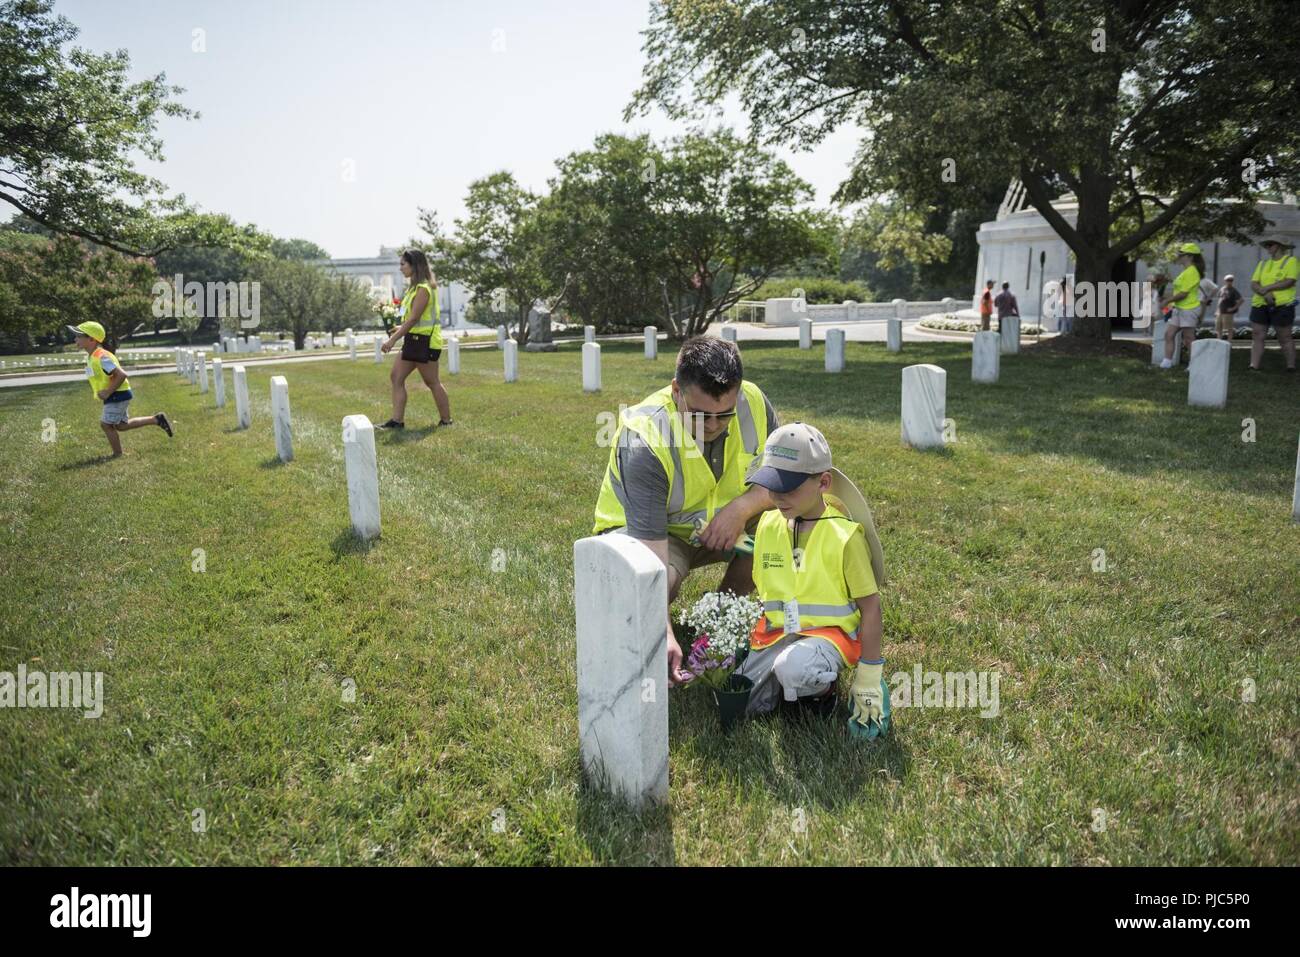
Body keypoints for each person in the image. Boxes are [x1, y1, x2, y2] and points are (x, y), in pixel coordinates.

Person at [593, 336, 779, 681]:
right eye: (699, 416)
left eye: (724, 415)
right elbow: (648, 559)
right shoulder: (645, 438)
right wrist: (659, 632)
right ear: (677, 389)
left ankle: (723, 615)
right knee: (665, 579)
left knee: (779, 529)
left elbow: (784, 479)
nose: (711, 426)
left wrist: (741, 508)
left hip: (718, 523)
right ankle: (659, 621)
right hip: (648, 535)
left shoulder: (753, 402)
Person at [737, 423, 889, 739]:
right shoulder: (768, 524)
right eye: (772, 486)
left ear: (823, 482)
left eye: (789, 487)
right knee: (742, 702)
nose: (778, 497)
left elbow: (871, 608)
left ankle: (822, 692)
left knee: (792, 668)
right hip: (779, 633)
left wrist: (870, 675)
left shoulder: (844, 538)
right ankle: (786, 685)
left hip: (829, 638)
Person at [68, 321, 173, 457]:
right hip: (116, 394)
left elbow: (121, 375)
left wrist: (107, 392)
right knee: (121, 426)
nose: (75, 339)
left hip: (117, 394)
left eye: (78, 336)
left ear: (91, 339)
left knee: (106, 425)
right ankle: (156, 419)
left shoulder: (101, 357)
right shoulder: (92, 356)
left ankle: (117, 453)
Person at [378, 249, 452, 429]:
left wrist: (392, 339)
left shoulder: (424, 289)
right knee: (396, 377)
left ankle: (446, 421)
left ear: (414, 265)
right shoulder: (413, 289)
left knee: (432, 382)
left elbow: (414, 319)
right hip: (414, 340)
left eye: (403, 264)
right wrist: (398, 327)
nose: (400, 268)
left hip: (425, 343)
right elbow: (410, 318)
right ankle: (397, 421)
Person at [1248, 236, 1298, 372]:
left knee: (1284, 336)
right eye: (1267, 245)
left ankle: (1291, 366)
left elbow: (1290, 281)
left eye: (1270, 245)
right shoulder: (1262, 263)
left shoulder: (1291, 261)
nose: (1268, 248)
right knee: (1258, 335)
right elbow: (1254, 283)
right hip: (1260, 304)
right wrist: (1264, 293)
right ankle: (1253, 365)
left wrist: (1268, 289)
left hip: (1283, 305)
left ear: (1279, 246)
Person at [1158, 243, 1205, 369]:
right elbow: (1179, 291)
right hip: (1179, 308)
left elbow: (1184, 294)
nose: (1178, 257)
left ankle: (1194, 365)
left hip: (1189, 309)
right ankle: (1166, 363)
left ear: (1189, 256)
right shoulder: (1186, 271)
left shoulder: (1192, 272)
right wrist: (1168, 299)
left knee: (1189, 338)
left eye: (1181, 254)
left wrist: (1167, 301)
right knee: (1169, 334)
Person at [1215, 274, 1242, 341]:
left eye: (1231, 280)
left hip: (1228, 313)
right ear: (1225, 281)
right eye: (1228, 280)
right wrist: (1217, 310)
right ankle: (1219, 341)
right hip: (1220, 312)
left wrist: (1233, 308)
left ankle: (1229, 342)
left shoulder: (1233, 290)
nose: (1229, 281)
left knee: (1229, 328)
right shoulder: (1222, 289)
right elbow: (1219, 299)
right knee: (1218, 328)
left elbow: (1241, 300)